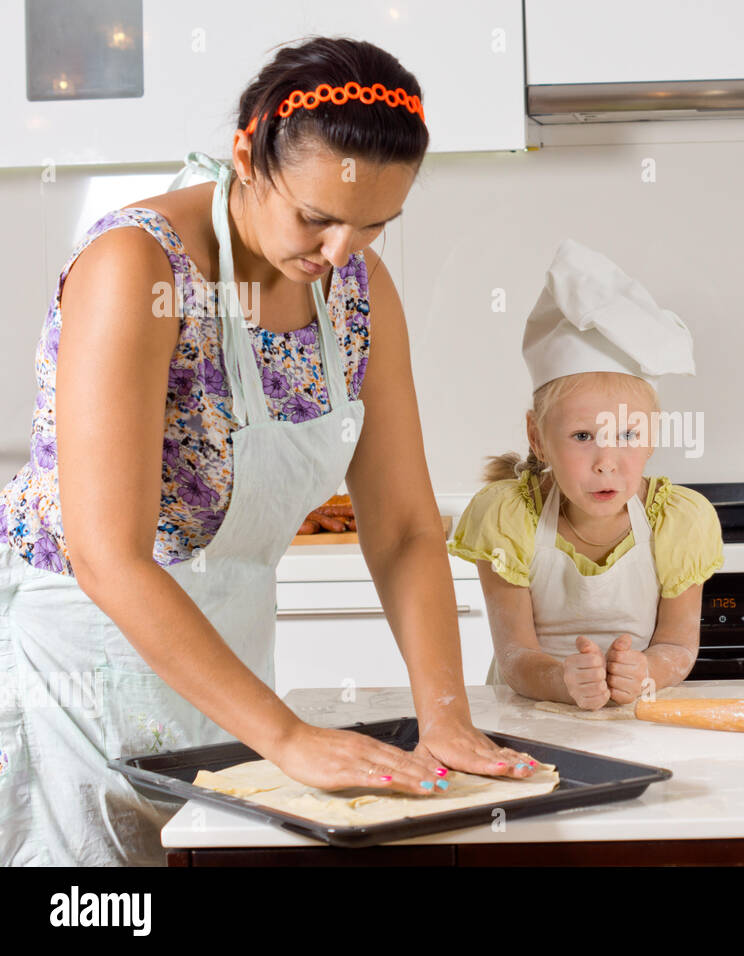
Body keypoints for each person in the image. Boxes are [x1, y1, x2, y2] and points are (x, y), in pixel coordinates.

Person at [0, 36, 538, 868]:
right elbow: (107, 556)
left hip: (229, 666)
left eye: (373, 227)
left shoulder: (357, 289)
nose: (338, 256)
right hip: (87, 668)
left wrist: (445, 715)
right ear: (247, 152)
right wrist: (284, 733)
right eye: (316, 219)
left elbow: (401, 528)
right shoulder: (136, 267)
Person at [449, 240, 723, 710]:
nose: (606, 461)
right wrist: (562, 680)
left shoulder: (679, 522)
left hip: (637, 718)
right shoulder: (507, 518)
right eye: (582, 436)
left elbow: (677, 647)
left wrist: (647, 672)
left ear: (653, 435)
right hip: (529, 720)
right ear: (538, 437)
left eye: (627, 435)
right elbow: (515, 655)